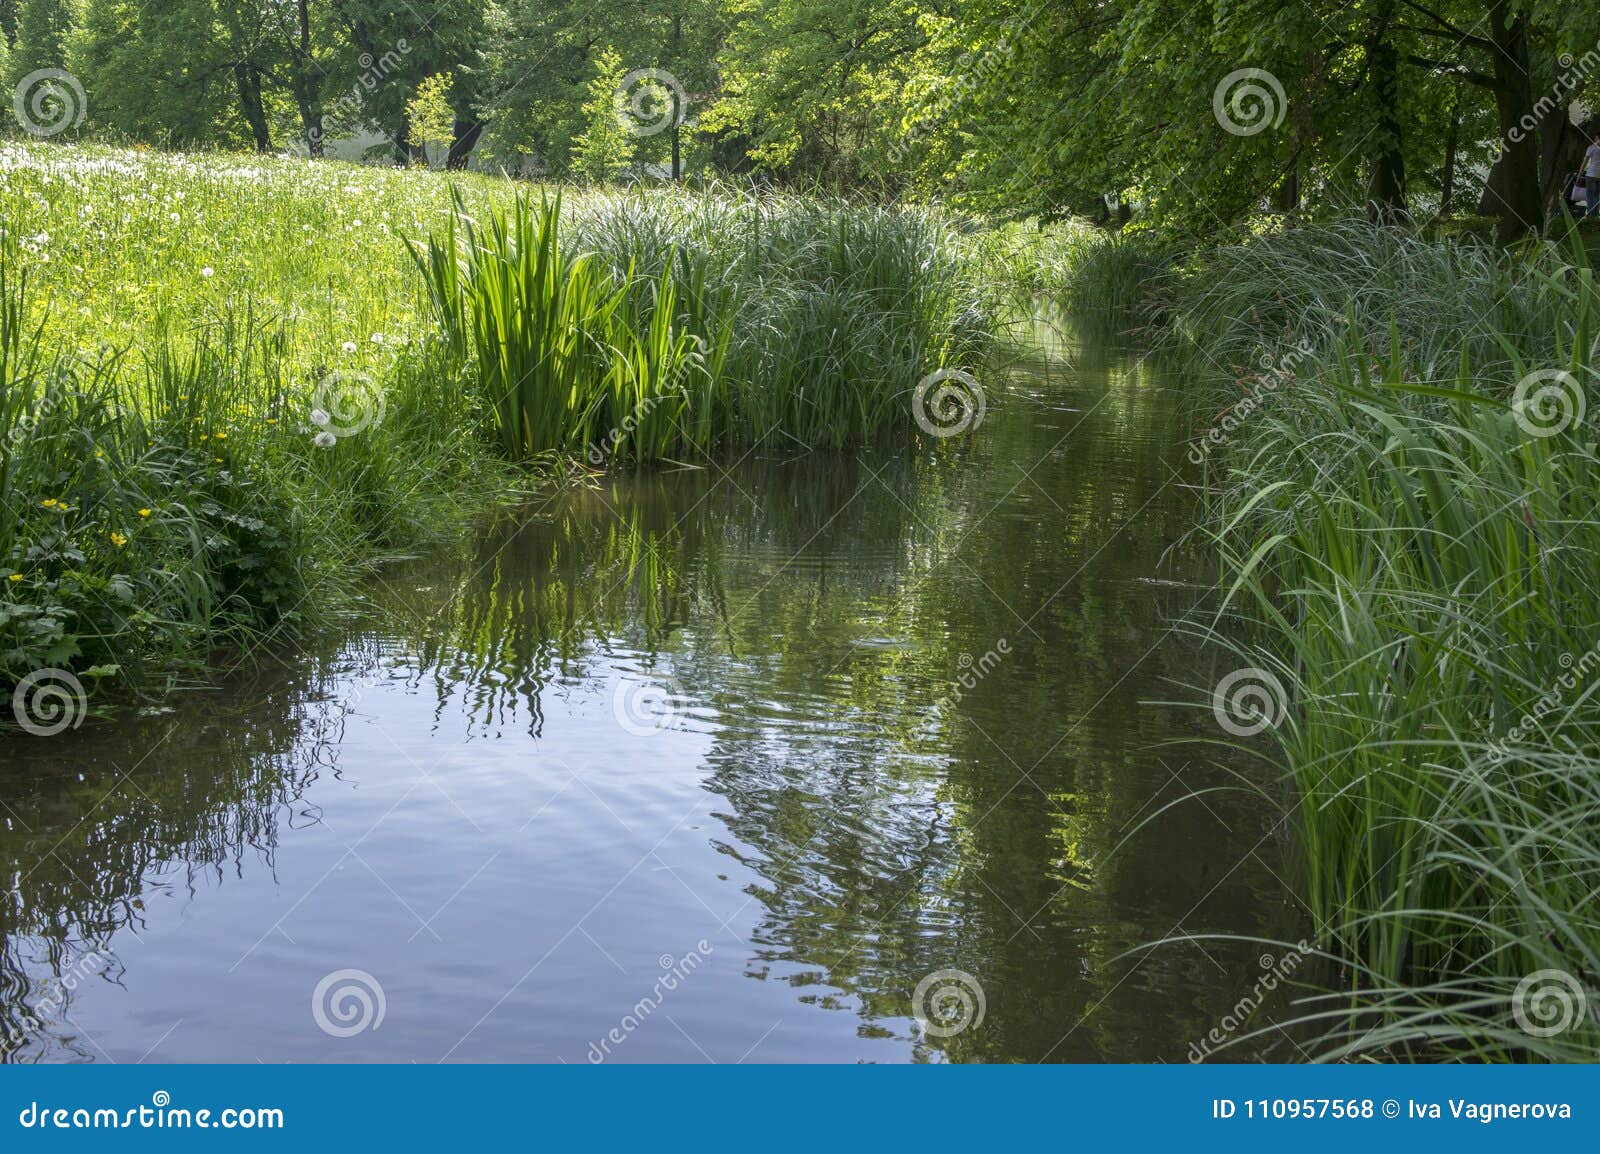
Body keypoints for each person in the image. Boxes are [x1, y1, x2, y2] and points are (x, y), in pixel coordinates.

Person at [1585, 135, 1600, 218]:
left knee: (1590, 195)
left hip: (1591, 175)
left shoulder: (1591, 147)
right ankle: (1595, 215)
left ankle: (1590, 214)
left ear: (1597, 138)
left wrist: (1580, 174)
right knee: (1596, 195)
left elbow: (1585, 161)